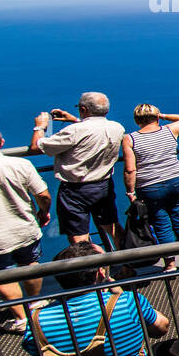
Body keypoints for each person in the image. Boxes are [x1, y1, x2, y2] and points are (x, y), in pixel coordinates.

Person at [23, 241, 173, 356]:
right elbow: (162, 327)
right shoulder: (128, 301)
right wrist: (118, 295)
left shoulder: (36, 321)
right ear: (101, 273)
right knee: (164, 350)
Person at [30, 92, 126, 248]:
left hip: (75, 191)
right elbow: (92, 130)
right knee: (112, 227)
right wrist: (75, 120)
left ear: (83, 109)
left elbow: (37, 147)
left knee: (78, 238)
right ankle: (128, 266)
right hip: (103, 186)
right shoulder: (117, 128)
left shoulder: (74, 131)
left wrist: (40, 126)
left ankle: (95, 271)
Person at [122, 104, 179, 270]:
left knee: (161, 224)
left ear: (136, 120)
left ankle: (170, 264)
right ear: (157, 117)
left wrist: (130, 191)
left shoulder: (130, 138)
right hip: (177, 180)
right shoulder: (170, 130)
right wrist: (164, 115)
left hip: (150, 186)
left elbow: (130, 169)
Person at [0, 128, 51, 333]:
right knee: (30, 264)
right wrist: (43, 212)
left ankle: (21, 320)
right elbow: (43, 194)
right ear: (1, 143)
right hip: (25, 227)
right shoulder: (20, 164)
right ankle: (34, 305)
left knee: (2, 275)